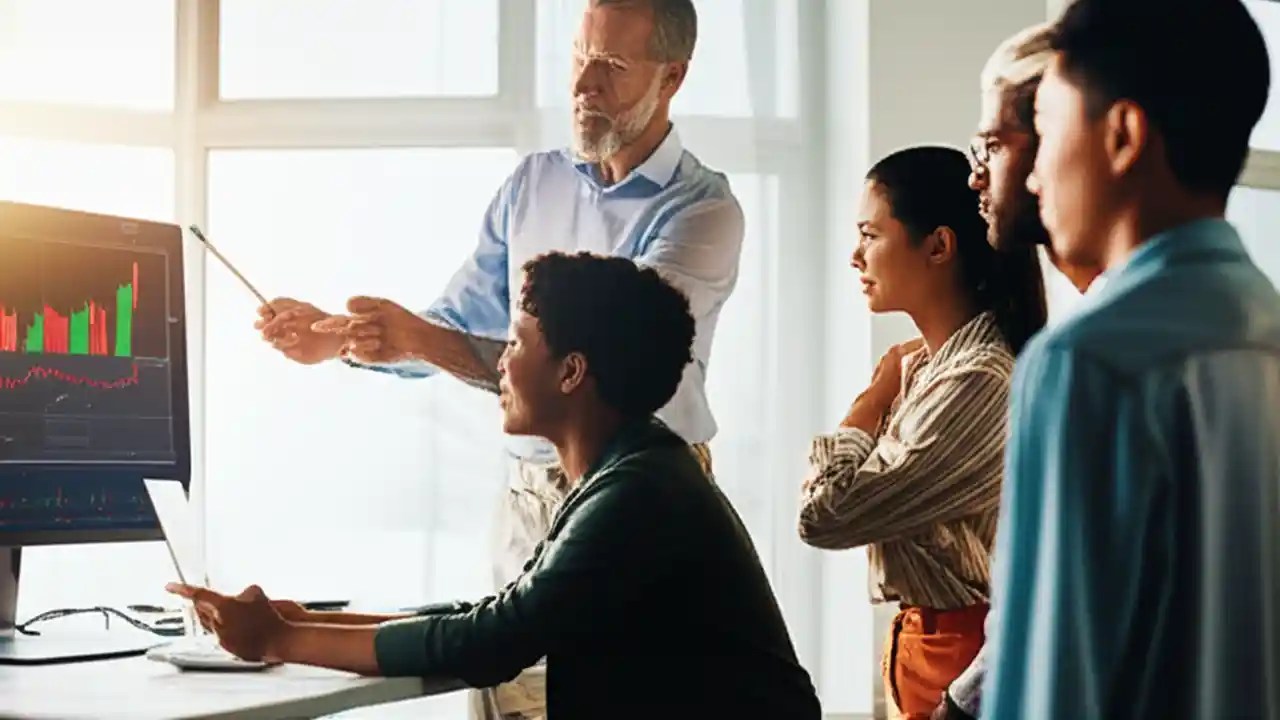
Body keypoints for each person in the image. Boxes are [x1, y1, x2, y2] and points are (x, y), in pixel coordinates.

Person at [254, 1, 741, 714]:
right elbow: (457, 327)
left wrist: (288, 637)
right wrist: (348, 337)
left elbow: (596, 372)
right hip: (530, 494)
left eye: (610, 66)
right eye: (579, 58)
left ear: (672, 76)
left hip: (636, 485)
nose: (584, 85)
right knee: (504, 691)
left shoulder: (702, 211)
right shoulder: (532, 183)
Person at [171, 252, 822, 720]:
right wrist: (301, 619)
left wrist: (277, 641)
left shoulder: (638, 492)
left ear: (572, 372)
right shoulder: (631, 471)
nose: (501, 363)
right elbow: (501, 610)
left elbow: (496, 639)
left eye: (516, 342)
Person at [983, 1, 1280, 717]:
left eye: (1047, 131)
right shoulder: (1266, 333)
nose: (1030, 179)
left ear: (1122, 134)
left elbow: (1049, 688)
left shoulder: (1089, 361)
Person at [797, 145, 1047, 720]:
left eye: (870, 234)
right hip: (923, 646)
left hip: (964, 655)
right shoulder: (931, 369)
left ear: (938, 246)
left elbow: (825, 513)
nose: (855, 255)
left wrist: (873, 396)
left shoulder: (977, 379)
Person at [930, 22, 1103, 720]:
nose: (977, 175)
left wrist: (959, 705)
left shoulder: (1082, 359)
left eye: (992, 146)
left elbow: (1048, 593)